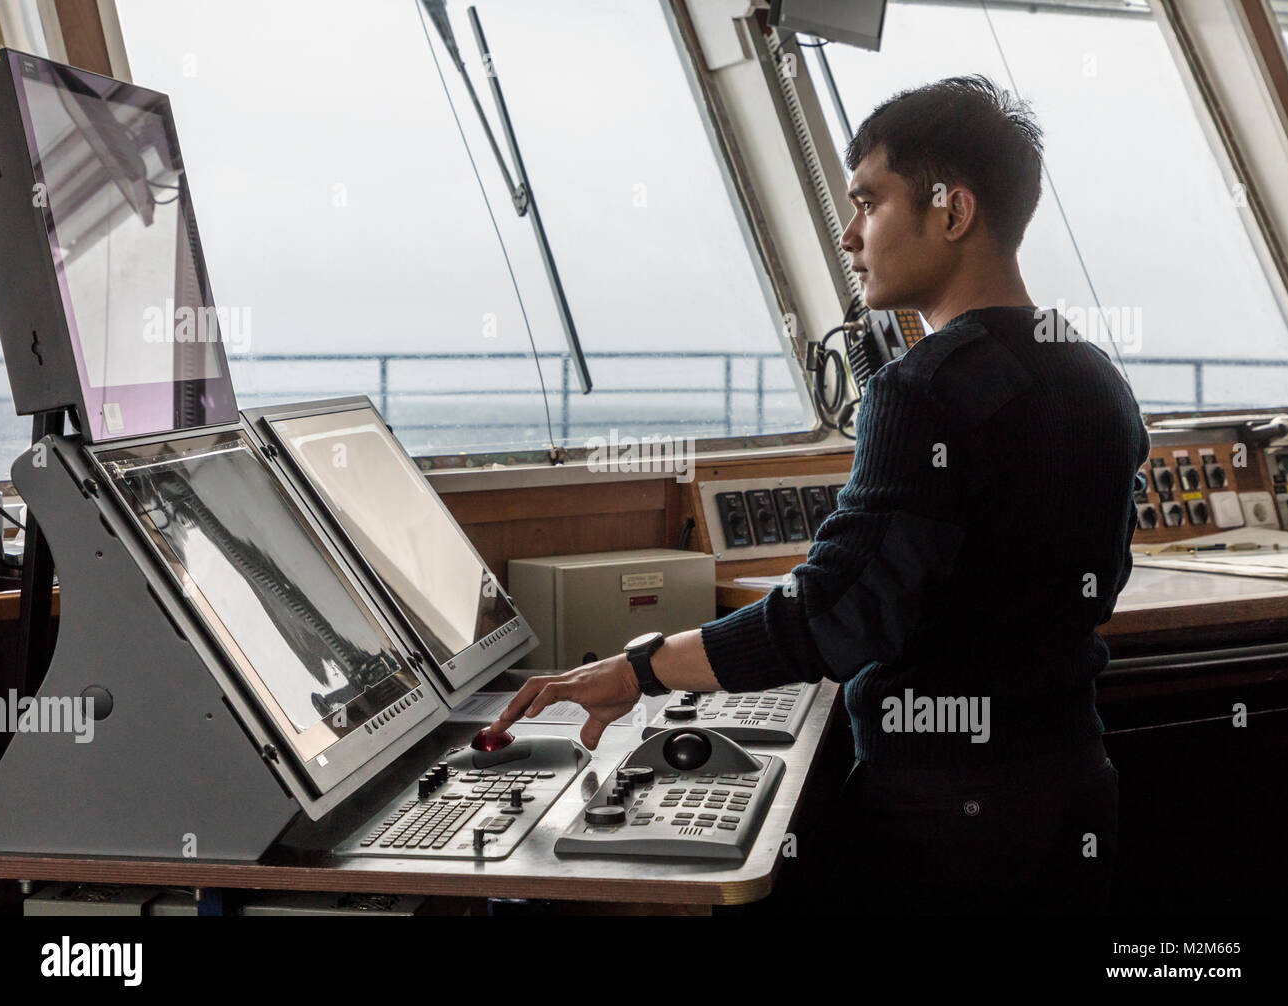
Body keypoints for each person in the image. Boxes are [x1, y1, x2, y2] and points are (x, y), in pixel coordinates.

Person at [488, 76, 1148, 914]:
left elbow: (835, 613)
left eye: (868, 204)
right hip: (1074, 792)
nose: (847, 236)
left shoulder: (923, 391)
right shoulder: (1098, 379)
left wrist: (641, 668)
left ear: (954, 212)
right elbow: (1097, 580)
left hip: (945, 822)